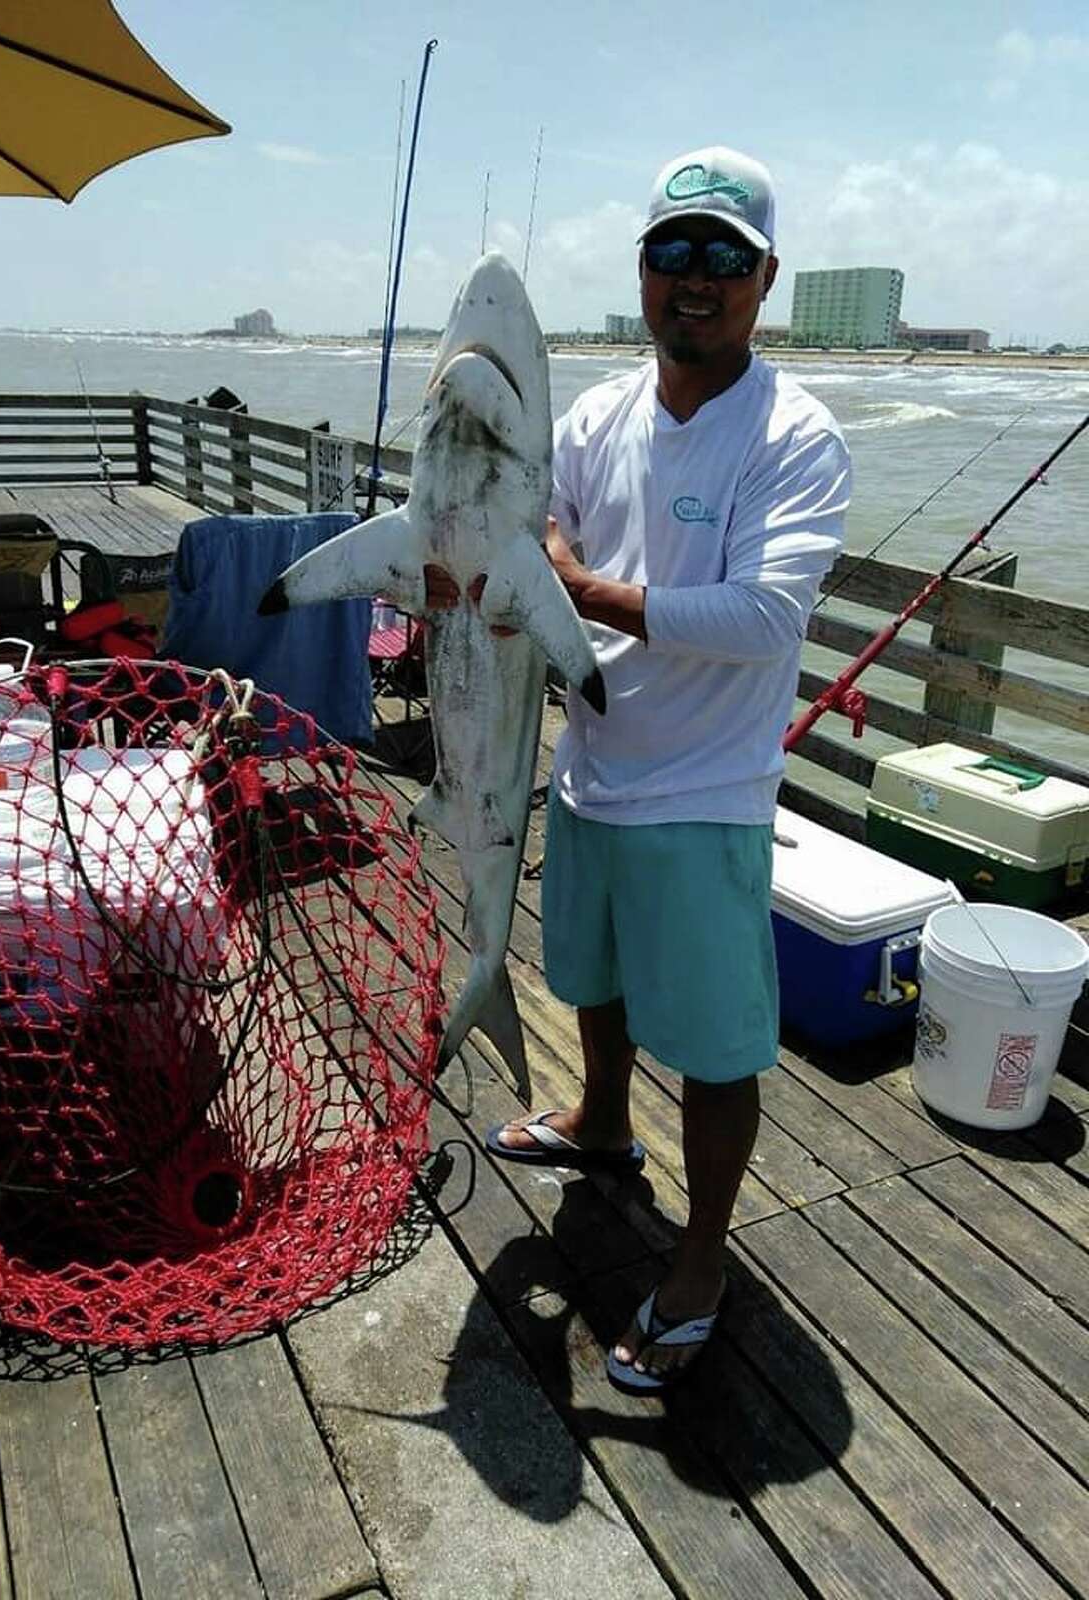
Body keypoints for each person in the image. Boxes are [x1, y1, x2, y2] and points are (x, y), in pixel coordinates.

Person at [480, 146, 851, 1395]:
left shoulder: (793, 436)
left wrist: (578, 588)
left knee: (716, 1043)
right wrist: (523, 545)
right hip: (590, 763)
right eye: (674, 255)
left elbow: (765, 618)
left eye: (723, 261)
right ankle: (598, 1123)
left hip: (703, 794)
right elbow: (547, 526)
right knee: (591, 978)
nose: (696, 282)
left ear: (764, 280)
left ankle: (701, 1254)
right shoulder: (594, 412)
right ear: (643, 271)